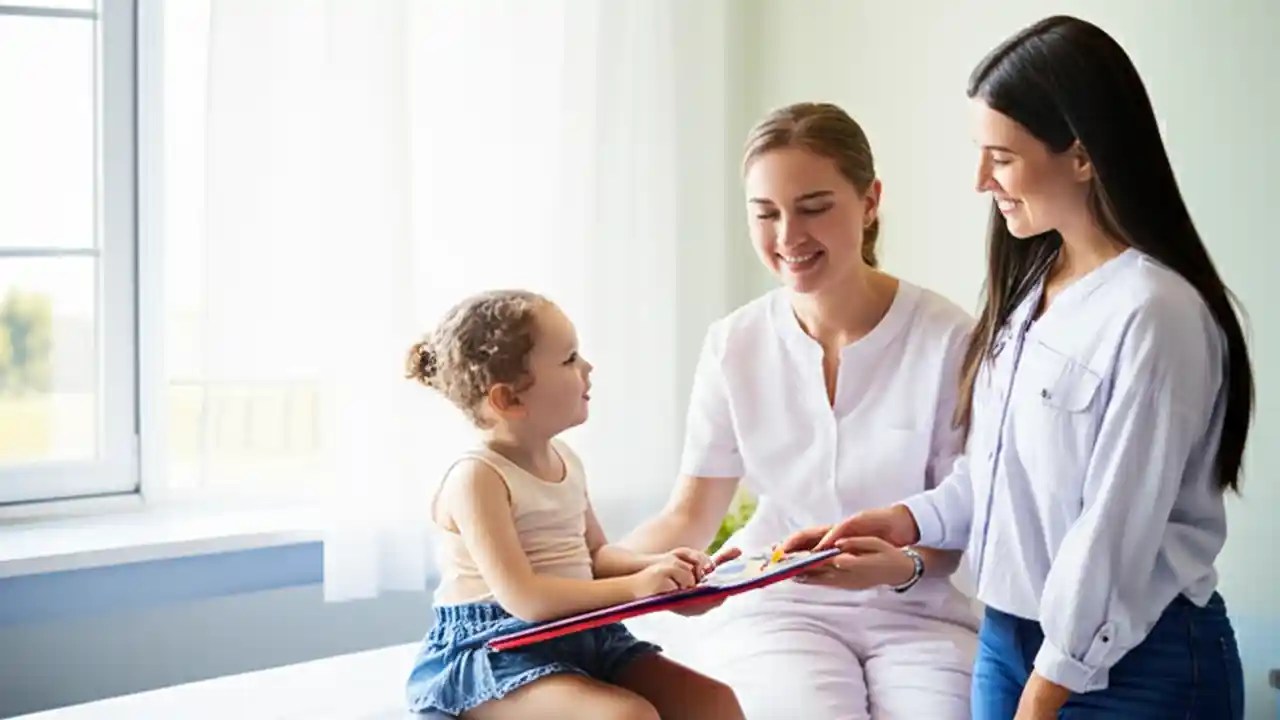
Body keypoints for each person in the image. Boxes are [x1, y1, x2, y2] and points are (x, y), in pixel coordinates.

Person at [785, 16, 1252, 720]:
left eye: (1000, 157)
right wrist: (904, 521)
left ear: (1083, 156)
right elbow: (1001, 477)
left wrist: (1044, 692)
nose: (980, 181)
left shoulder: (1155, 313)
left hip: (1134, 666)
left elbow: (1112, 532)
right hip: (1011, 639)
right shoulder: (1033, 291)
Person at [621, 102, 980, 719]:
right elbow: (690, 514)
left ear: (870, 202)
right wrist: (583, 577)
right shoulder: (735, 343)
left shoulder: (948, 338)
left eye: (814, 208)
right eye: (766, 214)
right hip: (781, 605)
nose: (788, 237)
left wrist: (901, 565)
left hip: (918, 609)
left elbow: (966, 515)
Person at [402, 289, 744, 720]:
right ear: (508, 399)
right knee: (626, 716)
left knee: (714, 703)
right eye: (569, 359)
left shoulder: (565, 459)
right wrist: (637, 588)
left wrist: (665, 568)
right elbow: (525, 599)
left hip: (582, 633)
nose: (587, 367)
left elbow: (597, 557)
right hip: (499, 647)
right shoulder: (478, 478)